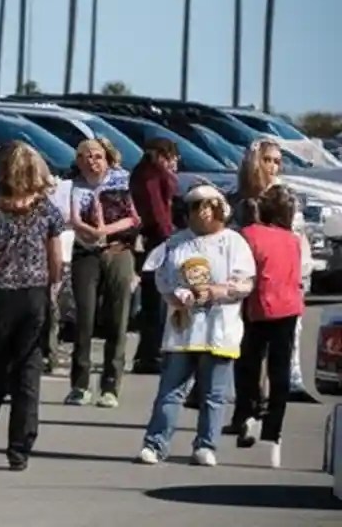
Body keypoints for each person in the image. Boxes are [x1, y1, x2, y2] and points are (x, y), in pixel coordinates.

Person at [136, 185, 256, 467]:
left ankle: (205, 445)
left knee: (214, 395)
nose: (202, 213)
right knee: (170, 390)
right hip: (183, 330)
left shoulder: (234, 243)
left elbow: (245, 283)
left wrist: (216, 292)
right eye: (196, 207)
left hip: (220, 329)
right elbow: (162, 281)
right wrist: (176, 297)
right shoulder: (176, 243)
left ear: (220, 211)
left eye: (208, 207)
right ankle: (155, 444)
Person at [0, 142, 64, 471]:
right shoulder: (48, 211)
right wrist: (50, 295)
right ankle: (19, 449)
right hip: (33, 296)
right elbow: (57, 263)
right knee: (26, 376)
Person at [62, 139, 140, 409]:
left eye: (97, 156)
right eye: (85, 156)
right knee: (84, 317)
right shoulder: (73, 185)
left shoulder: (122, 182)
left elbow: (134, 218)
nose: (91, 161)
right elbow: (72, 218)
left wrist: (105, 232)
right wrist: (89, 232)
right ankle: (80, 385)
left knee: (117, 318)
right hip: (86, 252)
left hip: (118, 250)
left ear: (107, 159)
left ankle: (110, 385)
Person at [232, 186, 305, 468]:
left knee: (248, 364)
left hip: (257, 307)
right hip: (288, 308)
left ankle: (248, 414)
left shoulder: (249, 235)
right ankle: (273, 435)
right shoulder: (293, 240)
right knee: (280, 371)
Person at [129, 138, 180, 375]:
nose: (173, 163)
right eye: (170, 157)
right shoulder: (151, 175)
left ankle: (148, 351)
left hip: (153, 239)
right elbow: (157, 211)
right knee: (155, 300)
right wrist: (168, 236)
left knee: (154, 300)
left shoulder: (145, 173)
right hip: (155, 240)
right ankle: (150, 353)